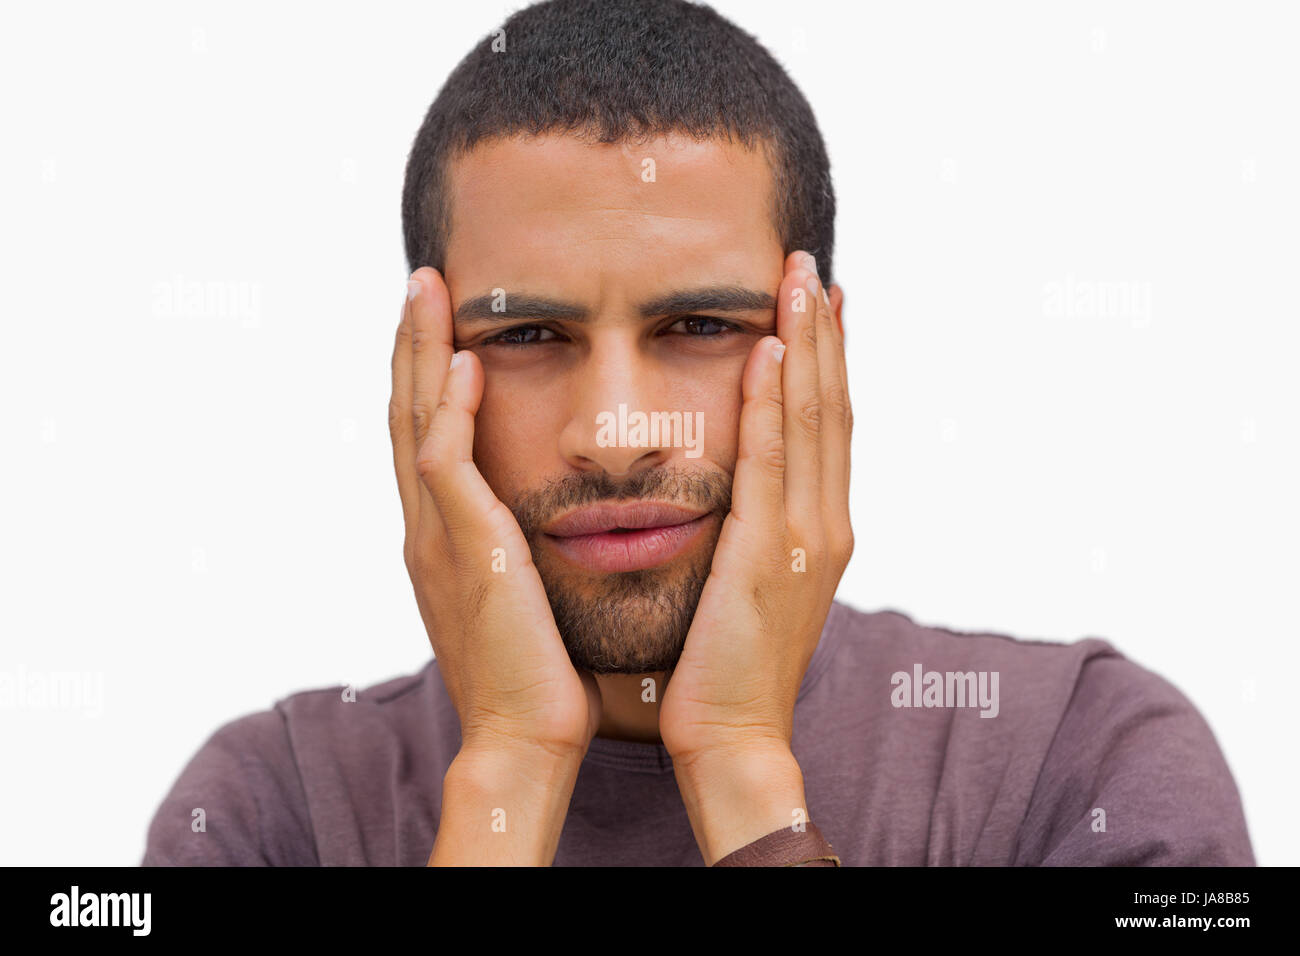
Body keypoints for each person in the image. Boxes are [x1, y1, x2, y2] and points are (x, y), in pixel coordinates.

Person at [142, 0, 1253, 866]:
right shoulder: (267, 805)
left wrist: (739, 764)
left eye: (701, 325)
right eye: (529, 332)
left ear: (824, 357)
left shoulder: (1087, 751)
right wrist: (510, 775)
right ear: (425, 375)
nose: (617, 433)